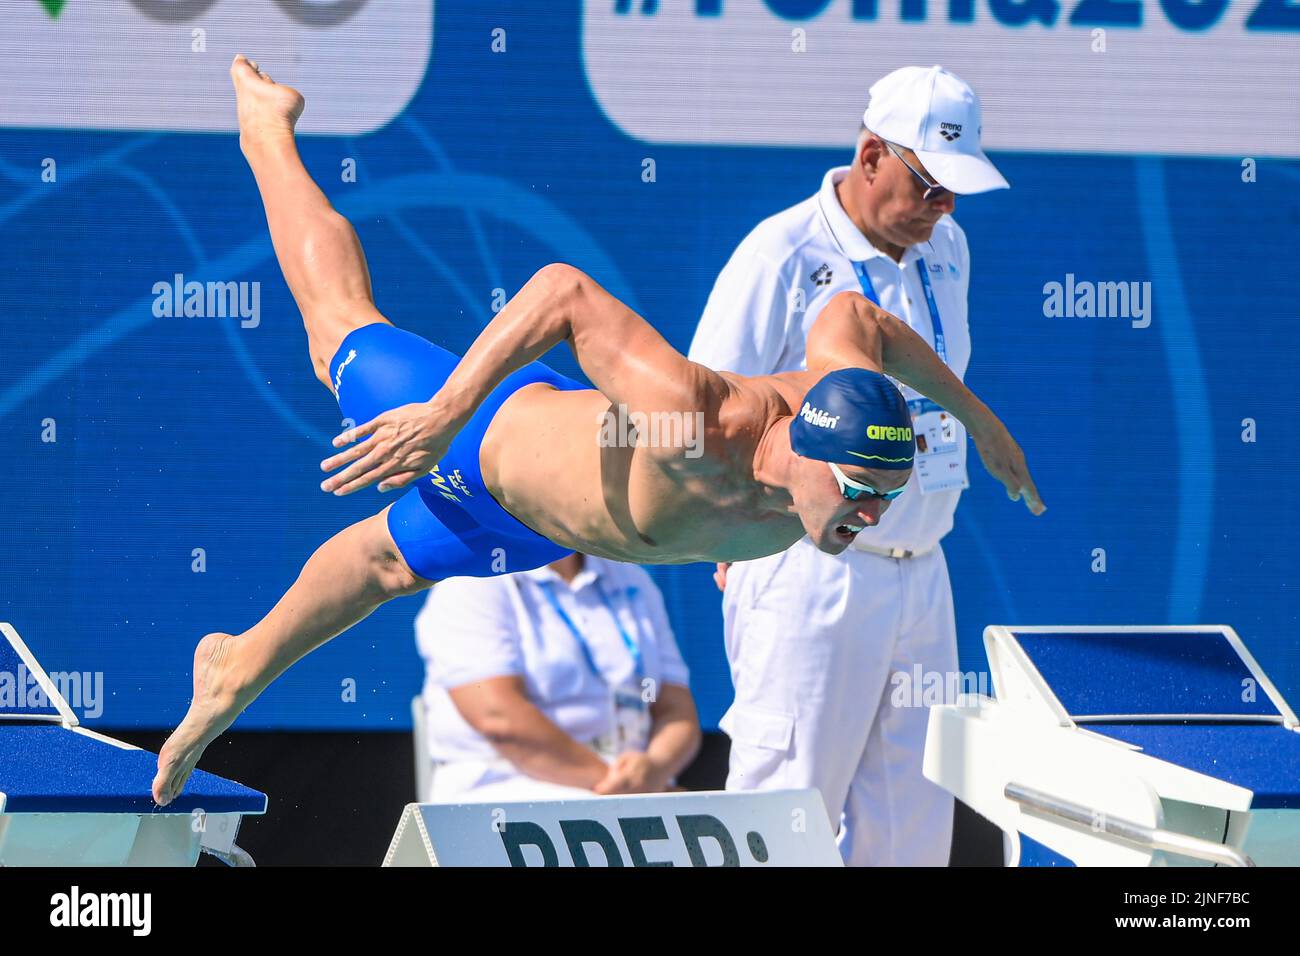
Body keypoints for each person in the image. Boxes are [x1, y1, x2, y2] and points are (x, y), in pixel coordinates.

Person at [151, 56, 1042, 807]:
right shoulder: (694, 419)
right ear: (806, 448)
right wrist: (443, 414)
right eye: (858, 493)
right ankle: (266, 130)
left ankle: (234, 664)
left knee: (380, 566)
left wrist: (982, 422)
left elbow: (865, 318)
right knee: (336, 328)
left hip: (537, 532)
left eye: (883, 498)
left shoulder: (836, 381)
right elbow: (563, 292)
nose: (871, 516)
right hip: (486, 445)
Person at [688, 65, 1016, 865]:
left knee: (913, 830)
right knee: (781, 820)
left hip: (921, 568)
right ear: (871, 155)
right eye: (929, 188)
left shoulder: (949, 249)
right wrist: (730, 537)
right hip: (809, 571)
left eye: (954, 194)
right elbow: (699, 414)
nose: (942, 211)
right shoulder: (781, 254)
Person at [415, 552, 699, 802]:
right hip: (506, 790)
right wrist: (619, 787)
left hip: (627, 794)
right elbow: (498, 718)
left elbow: (677, 711)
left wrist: (654, 767)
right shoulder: (473, 579)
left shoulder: (633, 580)